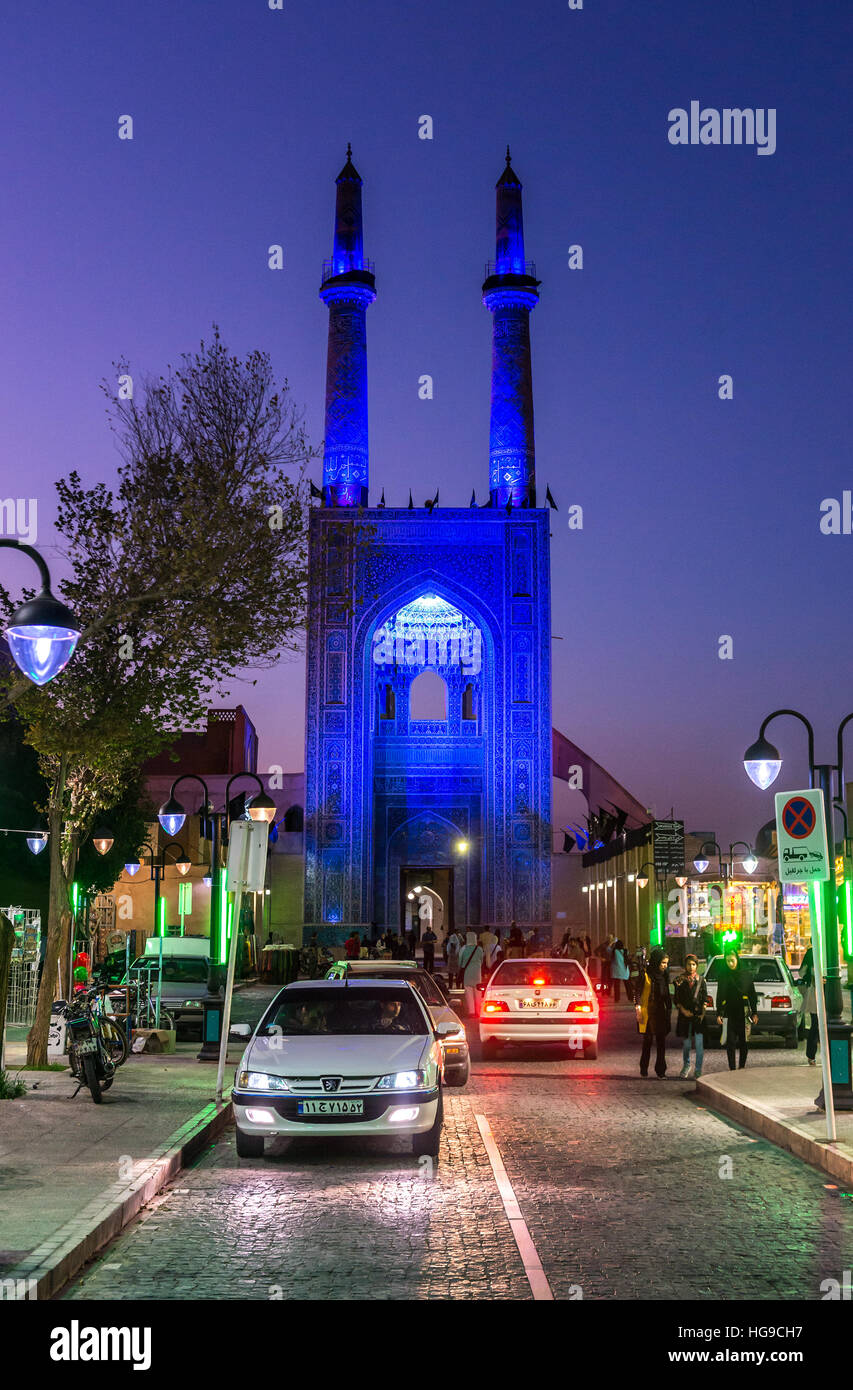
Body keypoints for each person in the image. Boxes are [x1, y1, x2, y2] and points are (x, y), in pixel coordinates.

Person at [715, 949, 758, 1071]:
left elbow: (752, 995)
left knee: (744, 1042)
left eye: (732, 960)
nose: (730, 963)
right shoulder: (723, 975)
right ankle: (732, 1068)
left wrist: (755, 1013)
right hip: (729, 1012)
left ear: (737, 960)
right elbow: (720, 995)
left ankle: (742, 1066)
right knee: (730, 1042)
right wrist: (719, 1013)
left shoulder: (746, 975)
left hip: (744, 1012)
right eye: (727, 961)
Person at [634, 946, 672, 1078]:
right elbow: (638, 990)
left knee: (661, 1041)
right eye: (662, 963)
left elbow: (667, 993)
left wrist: (669, 1010)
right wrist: (637, 1006)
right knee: (648, 1040)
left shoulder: (665, 975)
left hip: (661, 1011)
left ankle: (661, 1070)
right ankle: (644, 1067)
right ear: (656, 961)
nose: (664, 966)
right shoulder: (645, 973)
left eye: (666, 963)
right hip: (648, 1010)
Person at [674, 954, 709, 1078]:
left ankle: (698, 1069)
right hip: (685, 1017)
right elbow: (676, 999)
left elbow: (705, 998)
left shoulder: (701, 980)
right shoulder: (679, 980)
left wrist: (703, 1013)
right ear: (685, 965)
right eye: (689, 964)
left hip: (698, 1017)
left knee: (699, 1045)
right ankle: (686, 1065)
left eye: (693, 964)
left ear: (697, 966)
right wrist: (683, 1010)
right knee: (687, 1045)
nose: (691, 967)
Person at [799, 946, 819, 1066]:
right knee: (816, 1025)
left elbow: (801, 972)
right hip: (817, 994)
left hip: (816, 993)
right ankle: (811, 1056)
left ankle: (811, 1056)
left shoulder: (811, 953)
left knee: (815, 1025)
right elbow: (802, 972)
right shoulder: (816, 952)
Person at [459, 931, 484, 1017]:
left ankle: (471, 1012)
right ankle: (479, 1011)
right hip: (477, 974)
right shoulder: (479, 949)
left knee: (469, 993)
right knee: (478, 993)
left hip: (467, 974)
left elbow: (460, 962)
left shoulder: (463, 949)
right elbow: (482, 960)